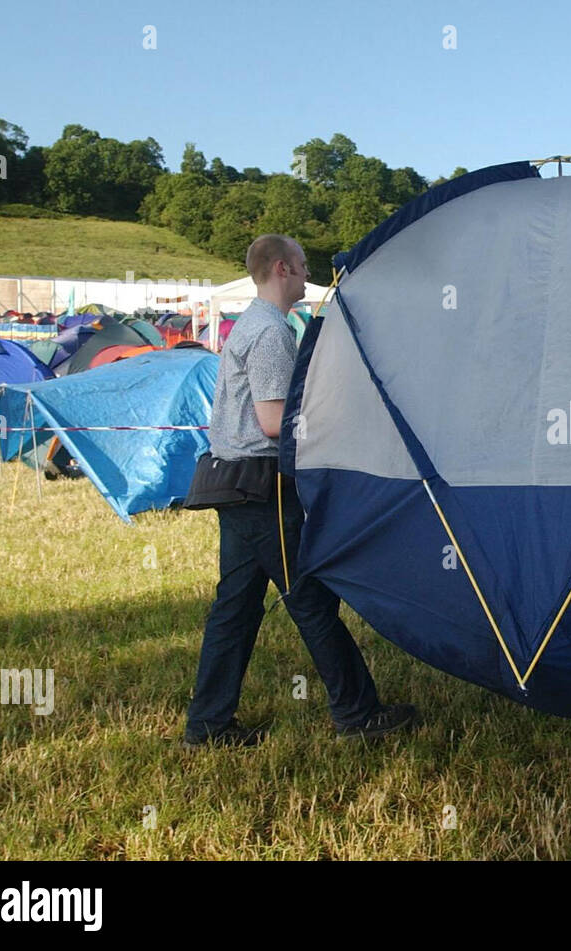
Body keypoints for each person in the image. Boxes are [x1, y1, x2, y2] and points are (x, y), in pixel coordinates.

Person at [183, 234, 416, 747]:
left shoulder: (249, 324)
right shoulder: (270, 333)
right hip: (264, 488)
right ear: (283, 268)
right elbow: (272, 422)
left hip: (235, 484)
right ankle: (357, 714)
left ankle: (207, 724)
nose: (308, 273)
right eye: (304, 265)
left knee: (236, 609)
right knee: (311, 600)